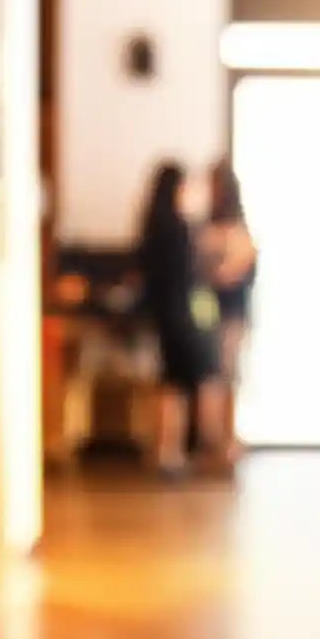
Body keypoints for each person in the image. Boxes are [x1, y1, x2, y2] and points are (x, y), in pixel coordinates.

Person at [136, 161, 229, 477]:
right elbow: (196, 279)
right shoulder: (183, 229)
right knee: (204, 380)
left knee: (170, 385)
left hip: (163, 316)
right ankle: (209, 450)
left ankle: (166, 452)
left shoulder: (151, 227)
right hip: (189, 317)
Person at [201, 158, 255, 464]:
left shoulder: (234, 227)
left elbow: (231, 272)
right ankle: (213, 441)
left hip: (232, 313)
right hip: (210, 313)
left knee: (227, 375)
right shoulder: (209, 226)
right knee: (214, 378)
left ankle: (225, 439)